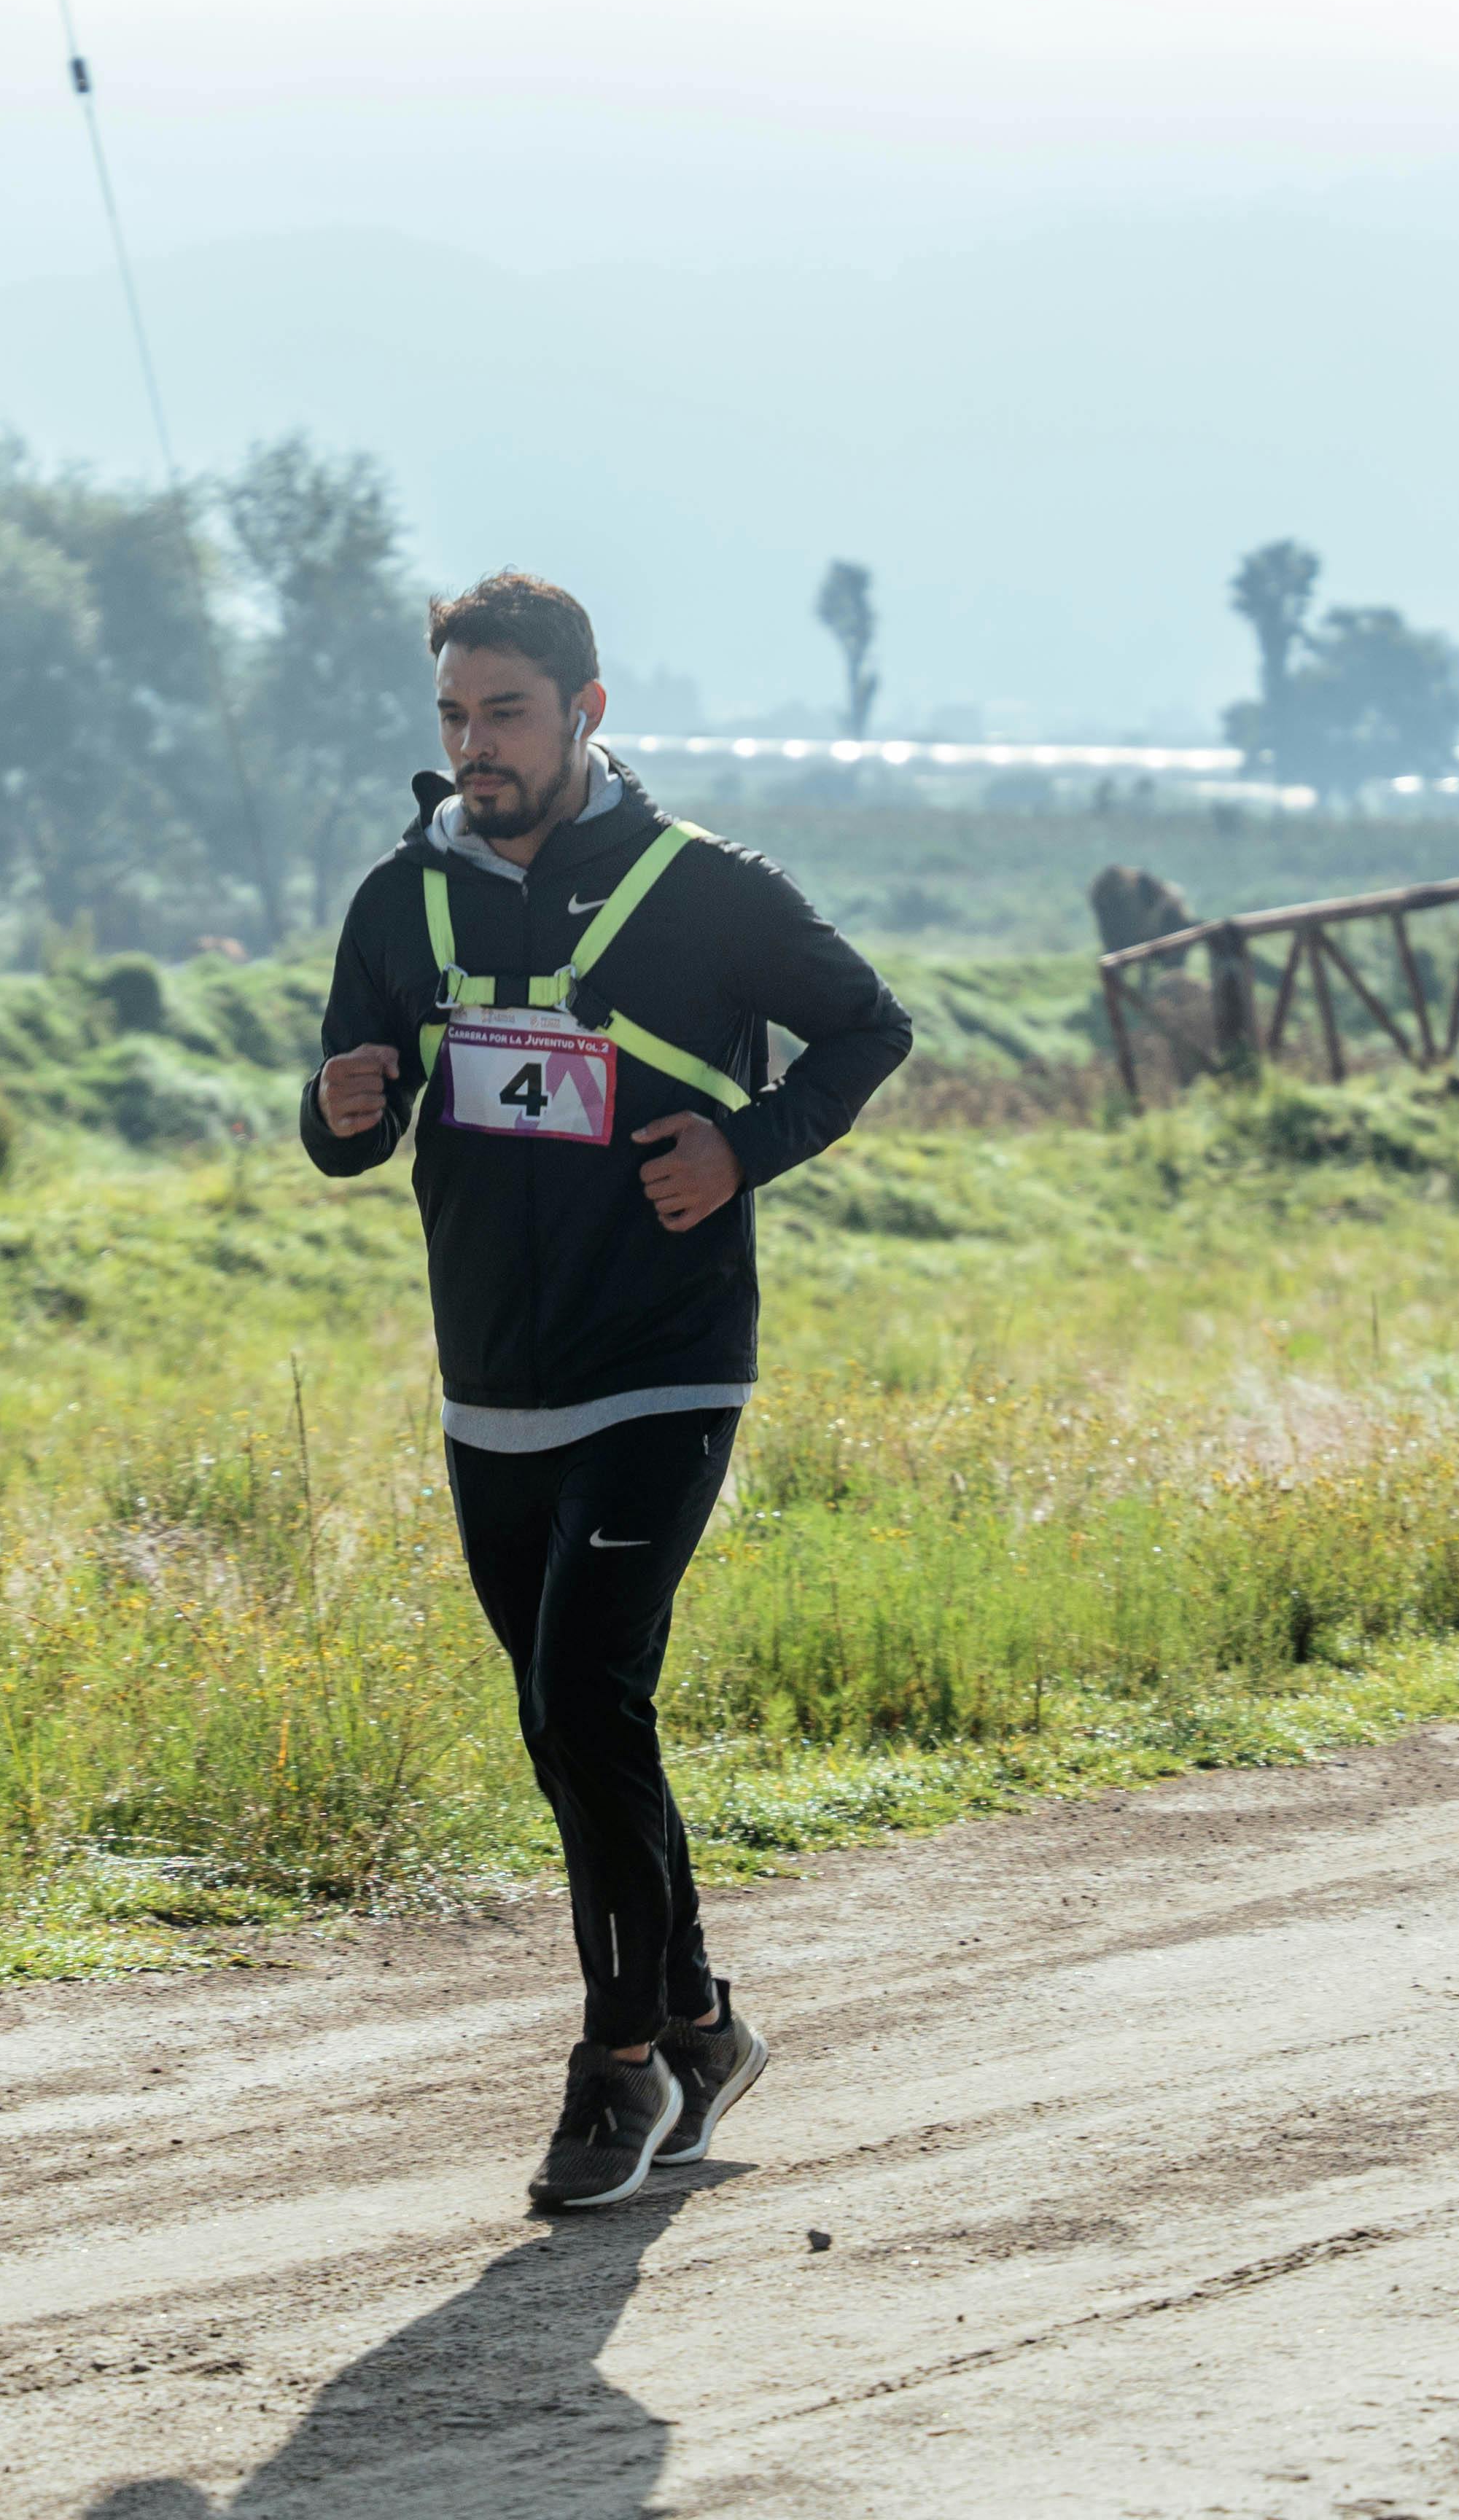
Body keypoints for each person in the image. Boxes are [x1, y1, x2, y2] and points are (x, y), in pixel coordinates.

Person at [303, 570, 915, 2213]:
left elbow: (868, 1030)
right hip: (490, 1380)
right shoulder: (402, 902)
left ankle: (619, 2072)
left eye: (505, 713)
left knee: (587, 1704)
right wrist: (340, 1104)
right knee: (576, 1735)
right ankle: (706, 2028)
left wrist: (745, 1148)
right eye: (453, 716)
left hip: (663, 1367)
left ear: (584, 715)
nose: (475, 745)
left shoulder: (705, 891)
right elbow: (353, 1119)